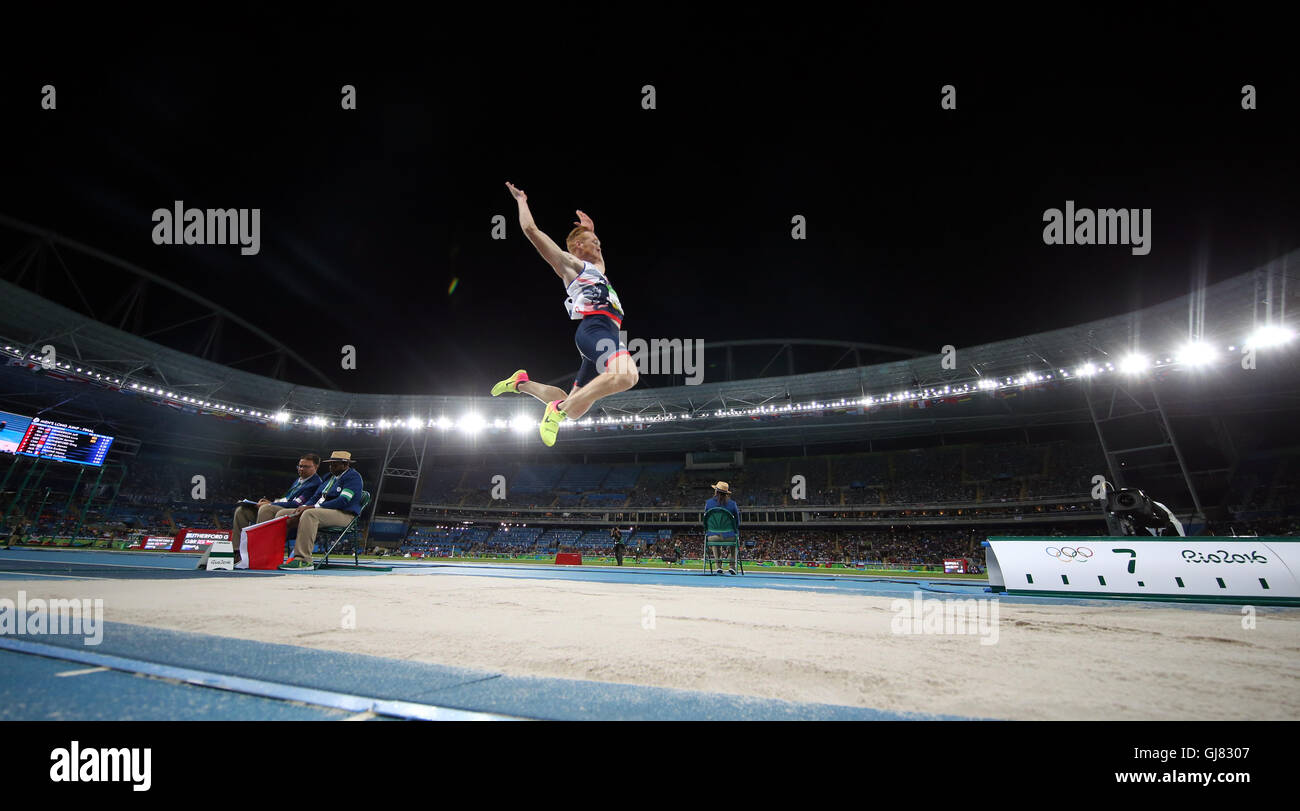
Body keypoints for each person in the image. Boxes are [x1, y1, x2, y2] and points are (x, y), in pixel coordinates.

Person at [491, 182, 639, 446]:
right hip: (595, 330)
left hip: (604, 334)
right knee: (627, 375)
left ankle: (521, 383)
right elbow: (530, 230)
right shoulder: (569, 265)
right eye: (595, 243)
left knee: (576, 409)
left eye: (600, 243)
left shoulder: (598, 271)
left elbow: (597, 256)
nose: (600, 246)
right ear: (578, 246)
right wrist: (521, 200)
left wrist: (590, 230)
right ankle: (555, 411)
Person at [229, 453, 322, 564]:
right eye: (300, 466)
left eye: (306, 466)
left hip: (294, 516)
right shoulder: (298, 481)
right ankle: (237, 552)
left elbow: (295, 504)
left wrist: (270, 505)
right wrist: (270, 502)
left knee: (265, 509)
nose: (301, 469)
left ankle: (258, 552)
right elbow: (286, 499)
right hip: (280, 510)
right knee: (242, 511)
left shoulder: (315, 483)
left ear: (315, 467)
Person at [279, 451, 365, 570]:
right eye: (330, 464)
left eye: (335, 464)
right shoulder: (329, 477)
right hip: (323, 512)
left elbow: (343, 500)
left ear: (345, 465)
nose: (331, 467)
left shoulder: (353, 477)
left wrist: (313, 507)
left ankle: (303, 560)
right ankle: (274, 554)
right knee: (282, 514)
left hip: (344, 514)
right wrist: (304, 507)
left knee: (310, 514)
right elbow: (315, 497)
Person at [705, 481, 740, 575]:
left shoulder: (708, 503)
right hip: (730, 536)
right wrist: (734, 531)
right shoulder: (732, 504)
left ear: (716, 491)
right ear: (727, 493)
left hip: (713, 536)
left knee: (715, 542)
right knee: (735, 542)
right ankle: (732, 566)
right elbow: (737, 522)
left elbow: (706, 521)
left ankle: (718, 566)